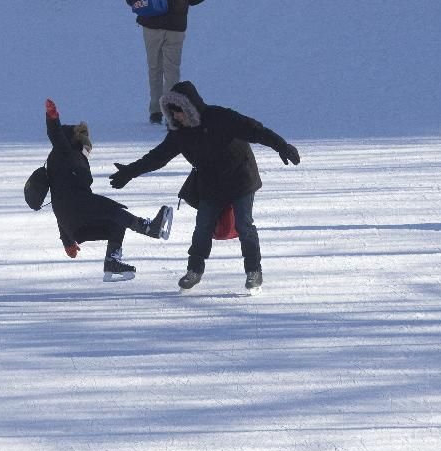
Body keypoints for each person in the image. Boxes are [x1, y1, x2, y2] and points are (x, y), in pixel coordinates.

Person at [109, 80, 300, 292]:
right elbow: (158, 157)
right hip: (211, 183)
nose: (175, 117)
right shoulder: (179, 133)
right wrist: (129, 172)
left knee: (244, 225)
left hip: (240, 178)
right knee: (203, 226)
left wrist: (282, 146)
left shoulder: (220, 117)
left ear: (189, 108)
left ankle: (254, 271)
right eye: (171, 113)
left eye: (178, 111)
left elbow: (255, 130)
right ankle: (194, 270)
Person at [43, 98, 173, 279]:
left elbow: (60, 204)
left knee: (116, 222)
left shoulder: (65, 161)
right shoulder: (65, 151)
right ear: (76, 141)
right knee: (114, 210)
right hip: (79, 207)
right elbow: (56, 134)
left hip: (74, 221)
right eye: (85, 142)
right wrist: (52, 116)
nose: (88, 148)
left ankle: (112, 261)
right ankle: (149, 228)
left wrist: (67, 241)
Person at [124, 0, 212, 124]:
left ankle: (155, 111)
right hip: (176, 26)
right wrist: (188, 0)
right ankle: (172, 113)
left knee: (154, 68)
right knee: (172, 71)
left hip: (151, 25)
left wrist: (135, 3)